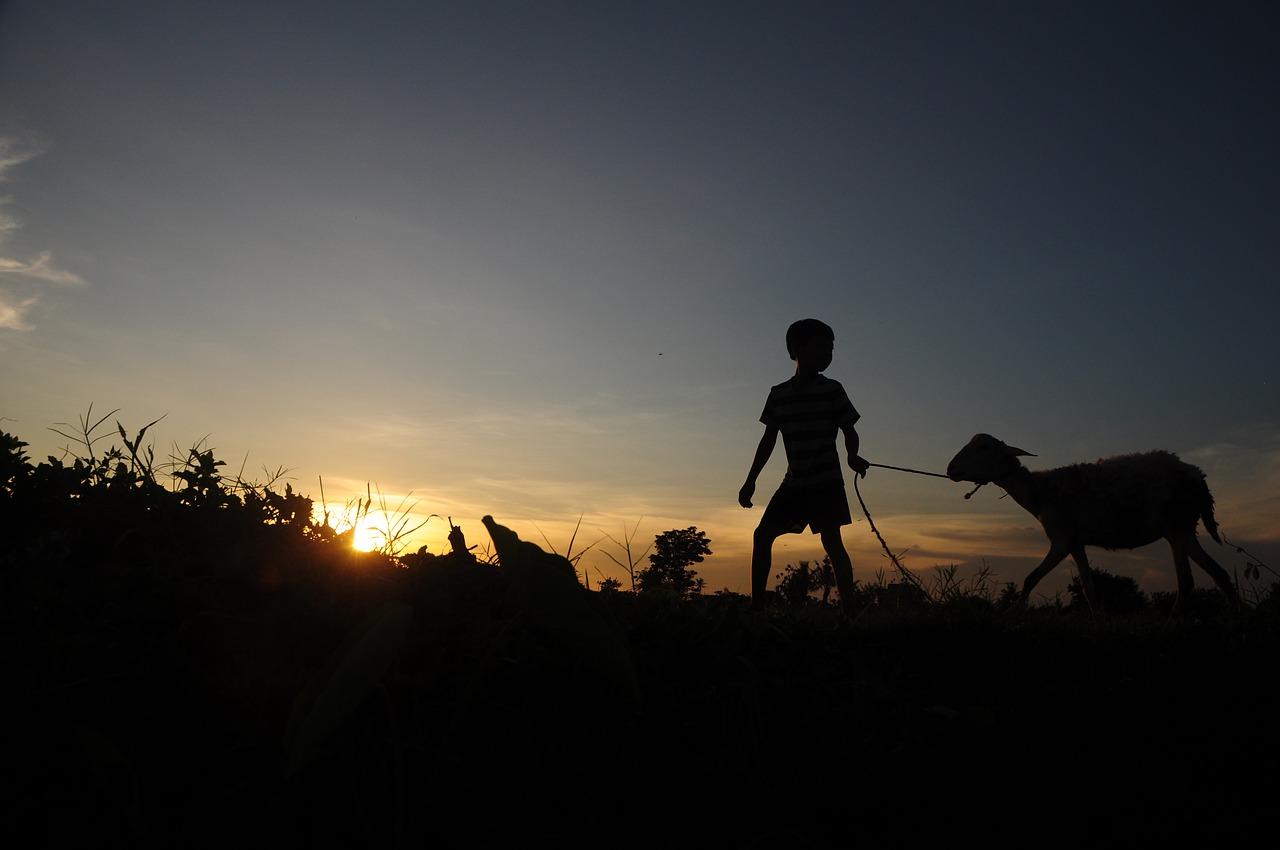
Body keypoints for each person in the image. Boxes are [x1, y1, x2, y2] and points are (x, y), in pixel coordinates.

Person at [739, 318, 868, 612]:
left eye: (831, 348)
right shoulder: (778, 395)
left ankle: (850, 613)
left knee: (832, 543)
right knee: (762, 535)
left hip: (826, 482)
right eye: (822, 346)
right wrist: (750, 480)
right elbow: (768, 440)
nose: (828, 354)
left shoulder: (833, 390)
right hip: (794, 483)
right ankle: (756, 609)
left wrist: (852, 456)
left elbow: (849, 429)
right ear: (796, 349)